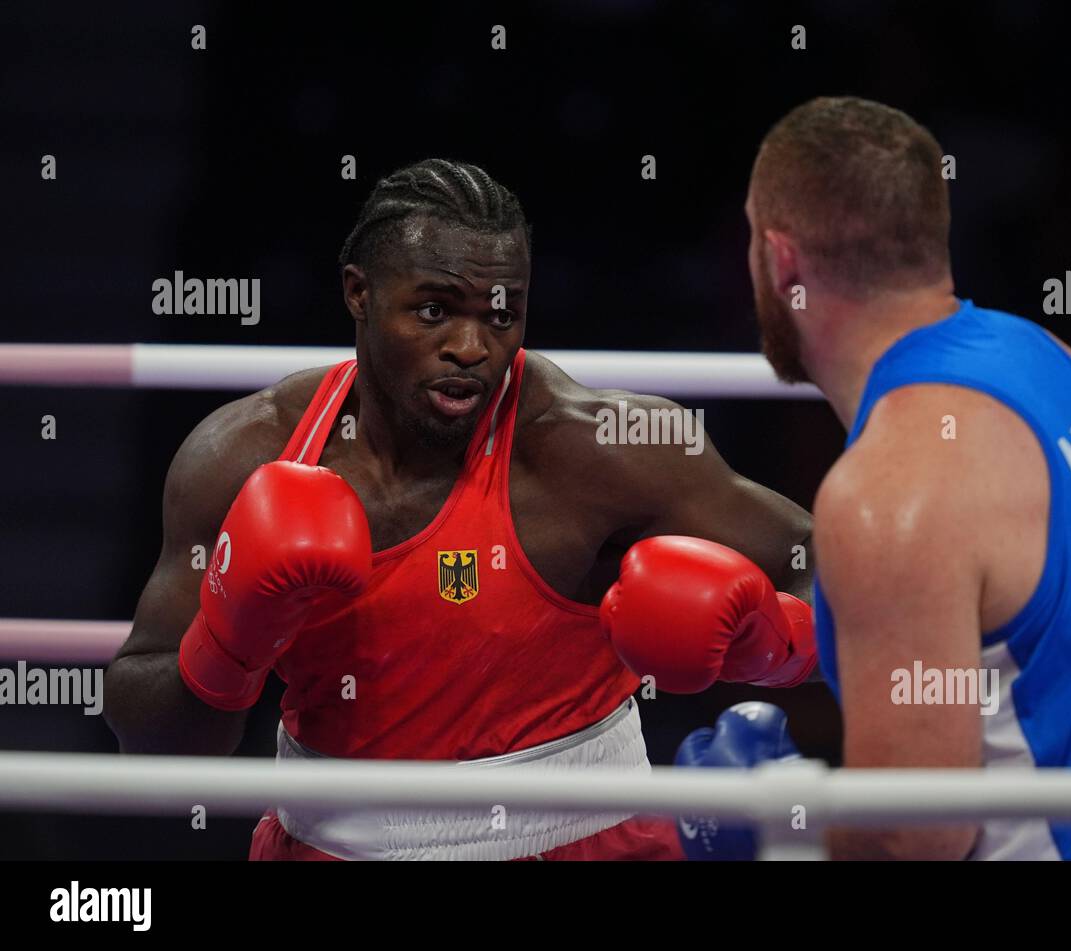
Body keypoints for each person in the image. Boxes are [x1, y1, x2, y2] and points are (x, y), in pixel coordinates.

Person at [103, 158, 817, 861]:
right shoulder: (243, 455)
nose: (472, 347)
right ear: (358, 293)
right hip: (330, 847)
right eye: (435, 310)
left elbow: (832, 569)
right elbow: (151, 740)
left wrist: (770, 640)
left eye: (502, 312)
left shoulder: (599, 451)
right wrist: (229, 642)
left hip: (584, 840)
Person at [669, 96, 1071, 861]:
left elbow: (918, 832)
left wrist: (771, 819)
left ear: (781, 259)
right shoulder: (1058, 365)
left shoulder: (886, 492)